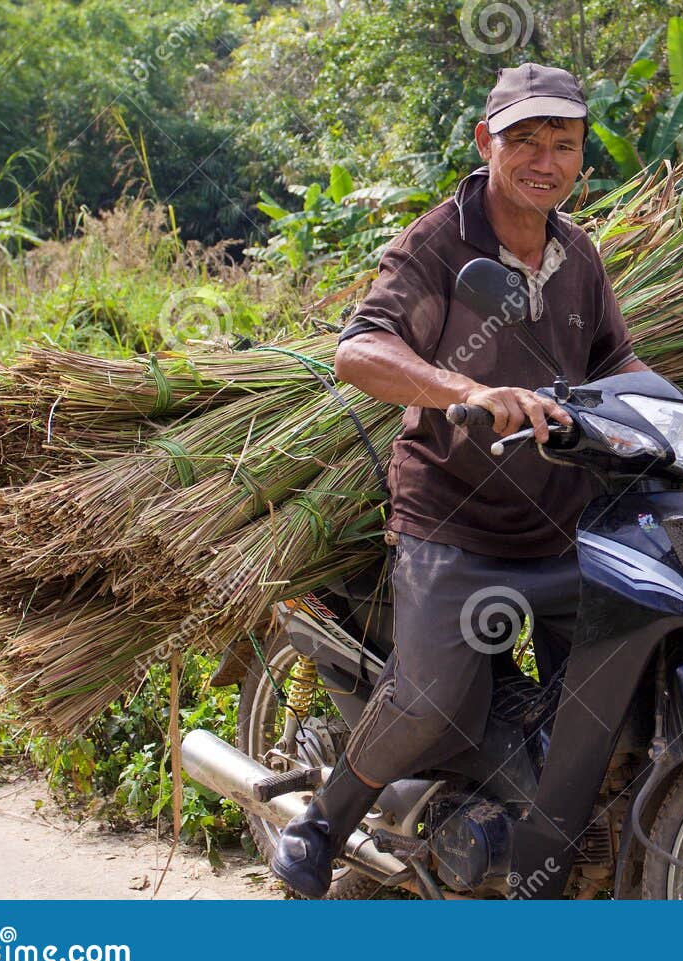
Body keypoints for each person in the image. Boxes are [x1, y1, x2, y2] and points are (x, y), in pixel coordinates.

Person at [269, 62, 659, 898]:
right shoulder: (438, 243)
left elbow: (615, 358)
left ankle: (554, 853)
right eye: (525, 141)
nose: (545, 161)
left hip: (559, 522)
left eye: (564, 144)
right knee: (435, 698)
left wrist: (678, 412)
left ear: (582, 158)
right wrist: (467, 390)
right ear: (486, 143)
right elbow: (359, 349)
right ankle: (323, 823)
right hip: (452, 522)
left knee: (617, 682)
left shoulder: (577, 253)